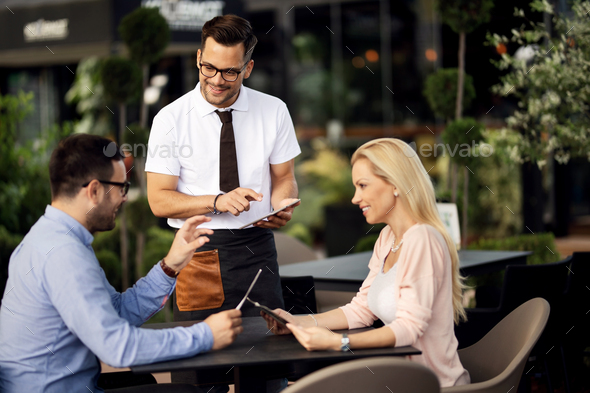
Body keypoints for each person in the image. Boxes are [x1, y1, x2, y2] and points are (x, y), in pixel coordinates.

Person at [0, 134, 243, 393]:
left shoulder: (51, 237)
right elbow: (117, 347)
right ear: (94, 190)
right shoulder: (63, 253)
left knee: (145, 382)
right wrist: (205, 335)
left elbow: (115, 312)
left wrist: (170, 265)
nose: (125, 198)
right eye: (121, 188)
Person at [145, 15, 299, 391]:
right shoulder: (170, 119)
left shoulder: (274, 110)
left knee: (267, 367)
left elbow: (284, 179)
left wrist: (283, 206)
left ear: (247, 67)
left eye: (229, 72)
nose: (216, 79)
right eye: (208, 67)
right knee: (199, 375)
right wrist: (216, 201)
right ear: (199, 57)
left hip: (257, 250)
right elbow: (159, 200)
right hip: (198, 253)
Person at [262, 138, 471, 388]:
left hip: (432, 385)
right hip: (397, 379)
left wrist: (337, 342)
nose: (354, 198)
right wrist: (298, 322)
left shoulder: (423, 239)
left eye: (362, 185)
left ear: (395, 184)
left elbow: (409, 328)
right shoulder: (387, 238)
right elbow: (361, 310)